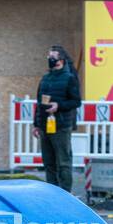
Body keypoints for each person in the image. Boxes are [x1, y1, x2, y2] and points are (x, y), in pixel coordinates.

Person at [32, 45, 81, 192]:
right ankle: (52, 193)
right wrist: (36, 124)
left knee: (63, 162)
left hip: (61, 125)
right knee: (48, 162)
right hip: (44, 125)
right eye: (49, 58)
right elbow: (39, 103)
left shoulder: (70, 78)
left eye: (52, 58)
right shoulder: (45, 78)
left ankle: (65, 193)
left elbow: (76, 101)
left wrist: (58, 106)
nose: (50, 60)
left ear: (61, 60)